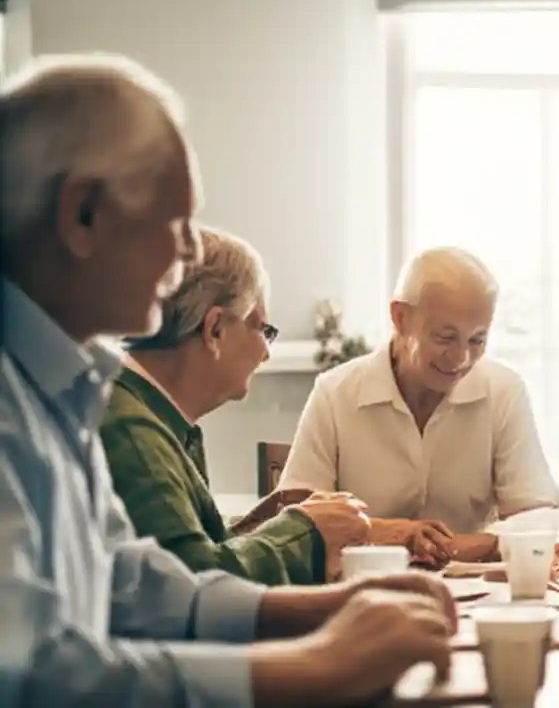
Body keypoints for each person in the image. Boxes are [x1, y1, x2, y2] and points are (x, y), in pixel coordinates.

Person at [0, 53, 454, 706]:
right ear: (83, 215)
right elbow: (30, 674)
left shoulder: (62, 387)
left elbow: (133, 582)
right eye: (177, 220)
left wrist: (331, 606)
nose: (189, 251)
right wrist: (317, 666)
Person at [100, 225, 372, 584]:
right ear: (214, 329)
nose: (266, 352)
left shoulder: (146, 414)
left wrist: (262, 526)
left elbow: (191, 548)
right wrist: (307, 531)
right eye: (263, 328)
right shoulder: (131, 429)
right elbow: (193, 582)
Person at [279, 247, 559, 563]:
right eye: (445, 338)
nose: (461, 358)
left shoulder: (504, 391)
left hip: (474, 591)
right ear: (401, 318)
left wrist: (464, 547)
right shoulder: (335, 393)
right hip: (362, 591)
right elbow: (297, 523)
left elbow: (538, 516)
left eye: (477, 340)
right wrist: (386, 534)